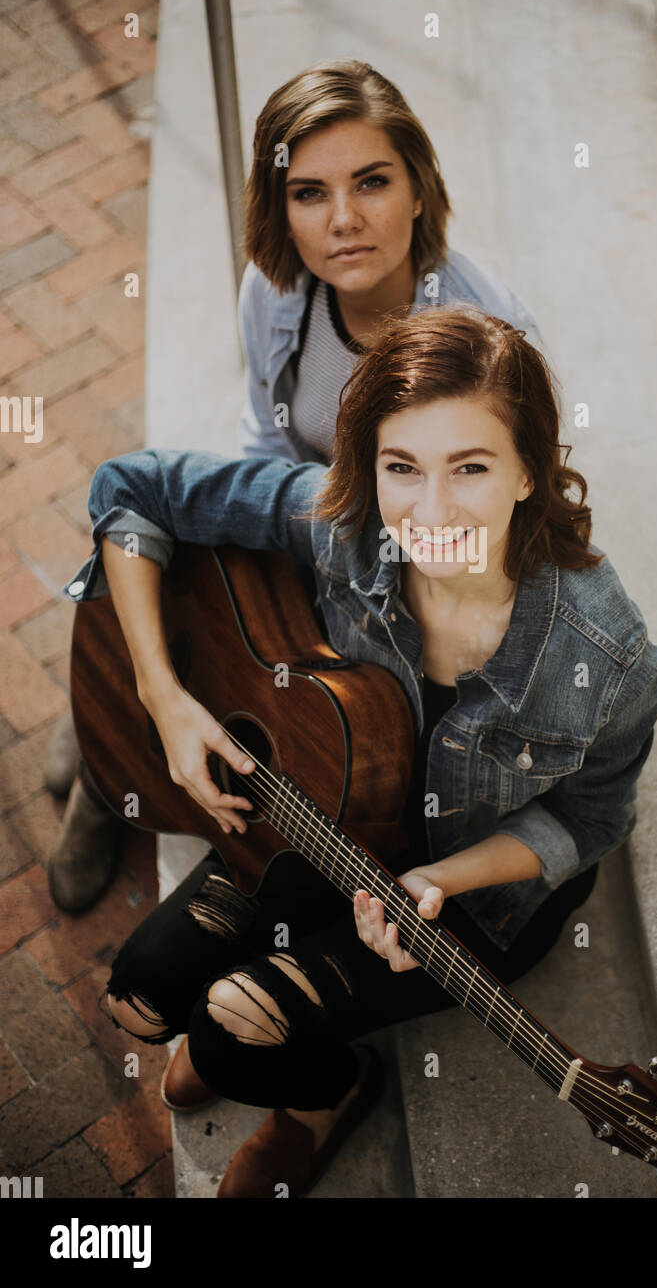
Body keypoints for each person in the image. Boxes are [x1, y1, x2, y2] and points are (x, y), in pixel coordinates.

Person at [61, 306, 657, 1198]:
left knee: (230, 1037)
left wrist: (441, 881)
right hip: (327, 803)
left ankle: (327, 1095)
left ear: (529, 472)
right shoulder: (347, 526)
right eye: (402, 467)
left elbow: (592, 818)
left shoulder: (608, 657)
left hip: (472, 897)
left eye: (470, 467)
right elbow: (131, 489)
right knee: (139, 1000)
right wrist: (166, 699)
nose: (431, 511)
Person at [47, 59, 543, 912]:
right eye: (309, 193)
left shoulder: (488, 340)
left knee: (313, 725)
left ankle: (128, 752)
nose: (343, 220)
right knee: (180, 562)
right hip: (314, 515)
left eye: (372, 182)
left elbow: (504, 518)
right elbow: (265, 439)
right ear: (280, 208)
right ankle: (114, 748)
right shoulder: (276, 292)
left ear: (418, 190)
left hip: (415, 567)